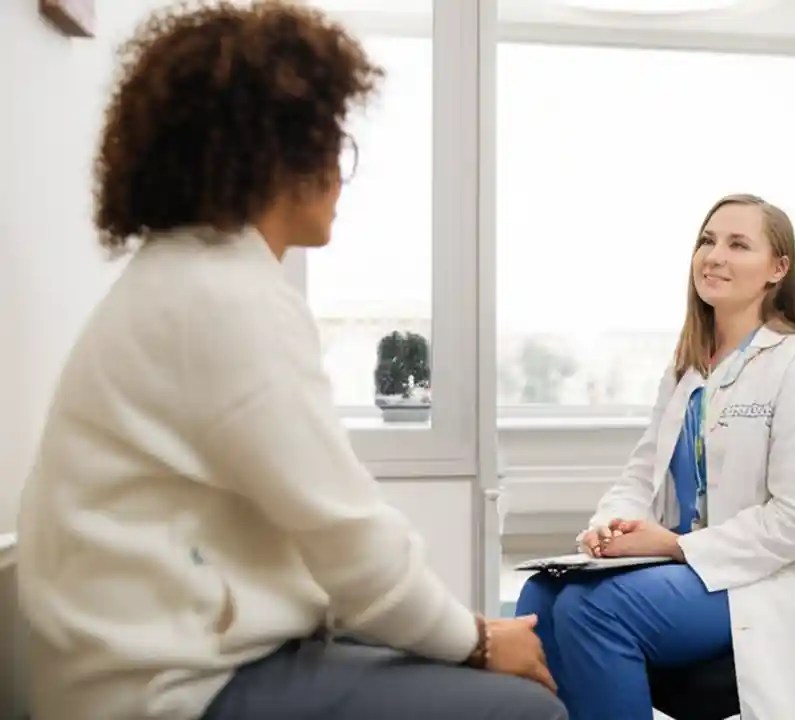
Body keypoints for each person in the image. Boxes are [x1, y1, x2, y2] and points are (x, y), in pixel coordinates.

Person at [15, 4, 564, 720]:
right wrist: (480, 644)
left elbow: (323, 550)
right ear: (276, 153)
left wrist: (471, 634)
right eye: (331, 140)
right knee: (528, 711)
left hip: (158, 662)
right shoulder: (221, 299)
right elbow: (348, 539)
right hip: (166, 694)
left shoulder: (187, 280)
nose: (340, 168)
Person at [515, 194, 795, 719]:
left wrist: (679, 545)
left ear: (778, 269)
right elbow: (641, 474)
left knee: (593, 609)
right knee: (540, 598)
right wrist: (610, 526)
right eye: (707, 240)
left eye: (738, 244)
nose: (715, 255)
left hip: (772, 576)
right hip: (694, 564)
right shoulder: (689, 368)